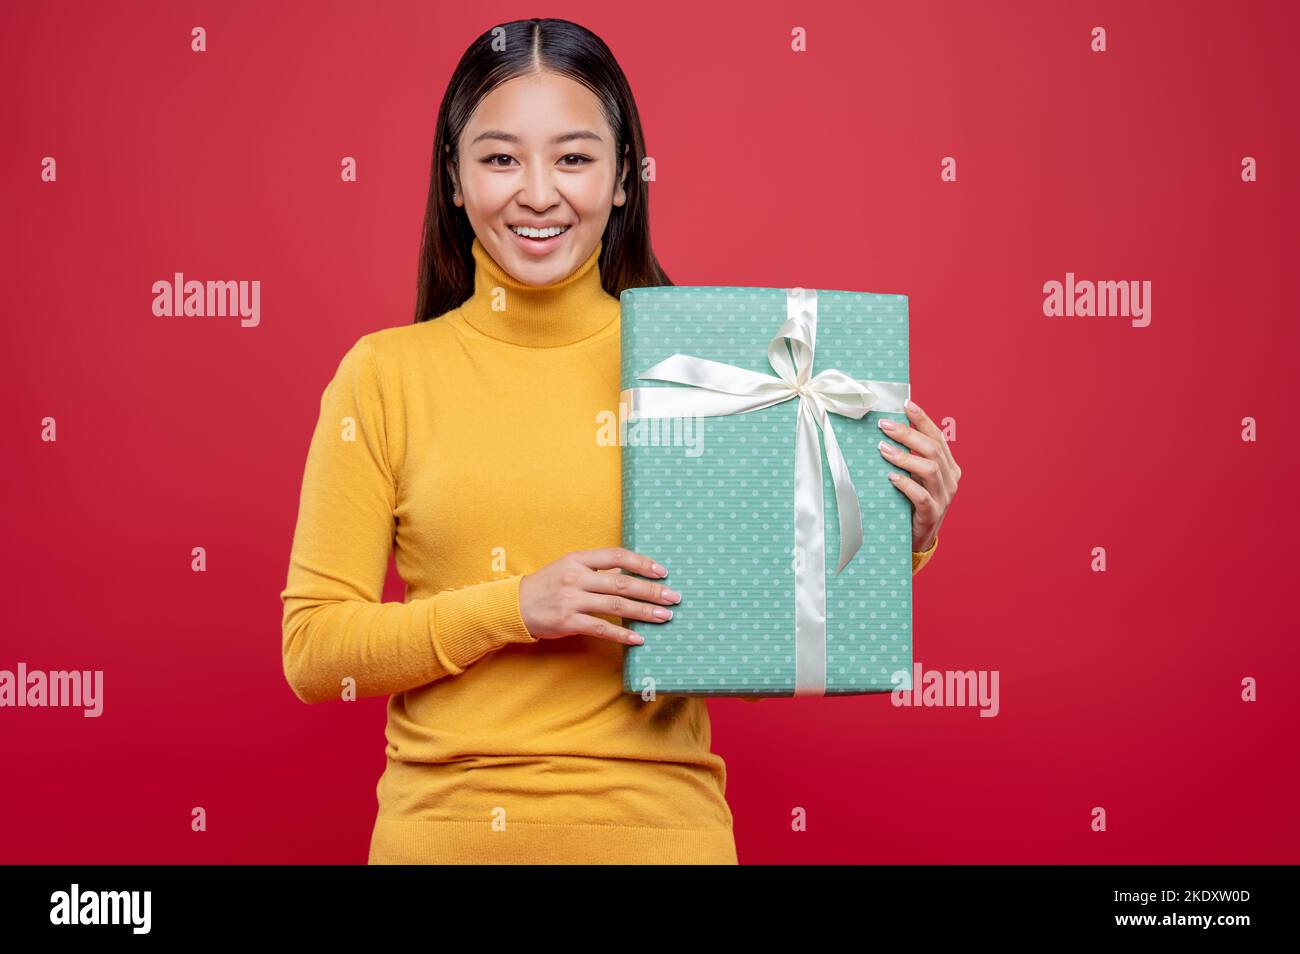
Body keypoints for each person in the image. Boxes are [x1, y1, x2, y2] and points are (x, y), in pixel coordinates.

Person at [279, 17, 959, 865]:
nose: (536, 192)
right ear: (453, 180)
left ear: (625, 179)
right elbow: (314, 652)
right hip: (444, 839)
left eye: (573, 157)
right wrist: (516, 608)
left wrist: (903, 537)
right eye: (499, 158)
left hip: (660, 837)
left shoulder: (698, 372)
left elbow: (746, 642)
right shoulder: (383, 376)